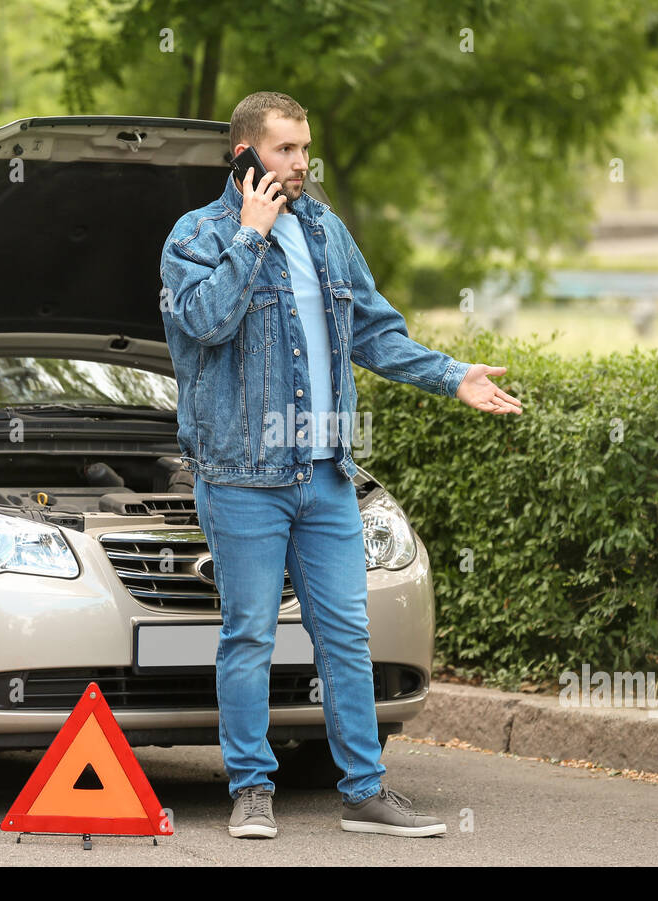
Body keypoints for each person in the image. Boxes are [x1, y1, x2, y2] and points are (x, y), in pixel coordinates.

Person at [159, 91, 523, 839]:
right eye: (287, 150)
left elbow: (375, 331)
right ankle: (252, 789)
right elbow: (204, 323)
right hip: (241, 475)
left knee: (346, 635)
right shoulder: (196, 236)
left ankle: (364, 791)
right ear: (244, 155)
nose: (302, 163)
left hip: (327, 474)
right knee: (250, 634)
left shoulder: (325, 231)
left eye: (305, 148)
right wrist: (251, 237)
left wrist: (451, 375)